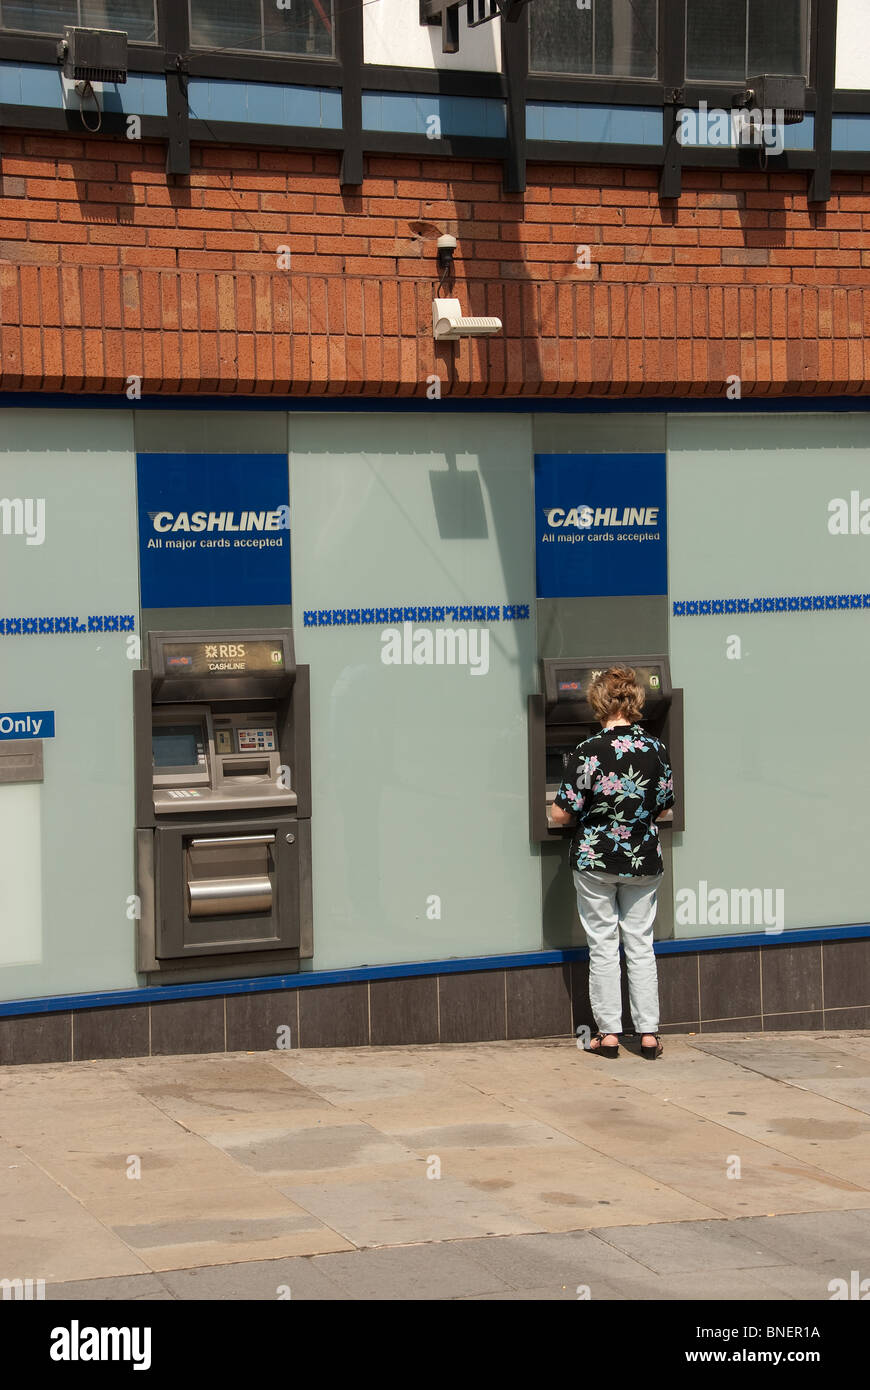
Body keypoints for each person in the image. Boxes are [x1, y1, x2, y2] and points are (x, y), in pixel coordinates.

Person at [550, 666, 675, 1060]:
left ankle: (608, 1035)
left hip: (596, 859)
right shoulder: (655, 748)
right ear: (634, 700)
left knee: (603, 944)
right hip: (642, 861)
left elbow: (562, 814)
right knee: (640, 944)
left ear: (598, 702)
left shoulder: (588, 752)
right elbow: (665, 806)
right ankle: (650, 1034)